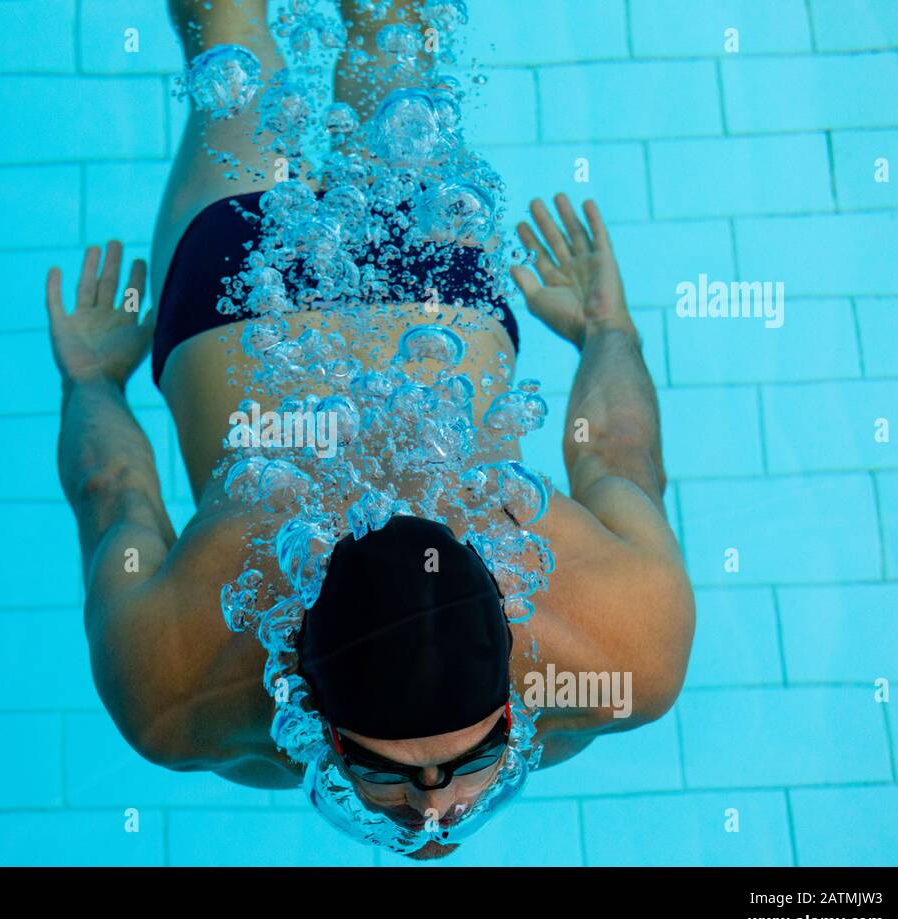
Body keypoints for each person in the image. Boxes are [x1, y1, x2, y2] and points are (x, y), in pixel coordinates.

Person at [46, 0, 694, 859]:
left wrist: (93, 378)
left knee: (233, 32)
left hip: (275, 294)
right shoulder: (171, 689)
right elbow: (111, 500)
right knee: (340, 29)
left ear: (513, 692)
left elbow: (117, 502)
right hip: (312, 293)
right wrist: (610, 332)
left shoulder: (634, 643)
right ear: (306, 697)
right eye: (383, 773)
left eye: (474, 755)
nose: (435, 811)